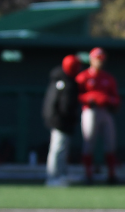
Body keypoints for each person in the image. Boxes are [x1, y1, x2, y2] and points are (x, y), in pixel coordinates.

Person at [76, 47, 120, 185]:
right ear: (91, 59)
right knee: (88, 143)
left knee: (110, 143)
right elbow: (75, 95)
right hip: (90, 110)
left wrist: (109, 100)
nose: (100, 62)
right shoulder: (83, 76)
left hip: (105, 111)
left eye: (102, 60)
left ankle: (111, 174)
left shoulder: (107, 77)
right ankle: (88, 174)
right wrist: (89, 98)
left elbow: (116, 98)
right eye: (97, 59)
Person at [42, 54, 80, 187]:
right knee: (57, 149)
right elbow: (64, 105)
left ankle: (61, 175)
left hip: (62, 120)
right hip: (59, 120)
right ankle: (53, 177)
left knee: (62, 150)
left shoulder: (64, 79)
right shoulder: (62, 81)